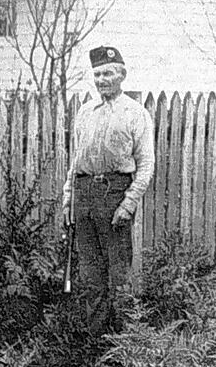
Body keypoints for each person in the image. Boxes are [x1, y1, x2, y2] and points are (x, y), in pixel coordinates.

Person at [61, 45, 155, 347]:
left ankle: (123, 347)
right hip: (84, 195)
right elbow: (76, 161)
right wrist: (68, 199)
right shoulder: (85, 112)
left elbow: (146, 165)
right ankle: (97, 346)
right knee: (90, 276)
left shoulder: (135, 113)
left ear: (122, 75)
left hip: (115, 194)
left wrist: (128, 203)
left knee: (118, 275)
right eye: (98, 74)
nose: (102, 79)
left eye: (109, 73)